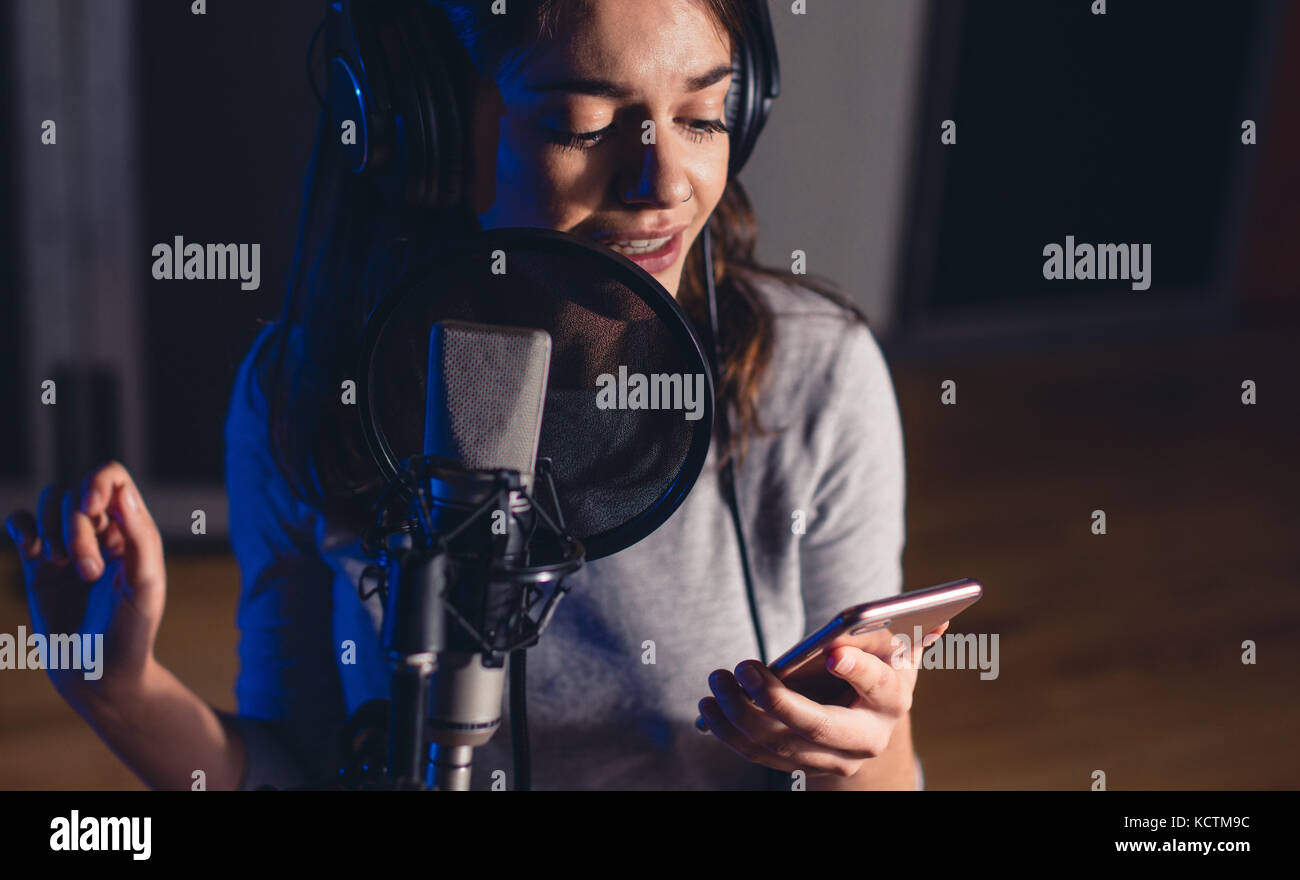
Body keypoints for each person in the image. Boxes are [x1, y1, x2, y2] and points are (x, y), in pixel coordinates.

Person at [6, 0, 943, 790]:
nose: (663, 183)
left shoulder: (817, 372)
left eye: (703, 115)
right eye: (581, 124)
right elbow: (295, 766)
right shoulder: (300, 394)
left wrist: (861, 752)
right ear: (430, 134)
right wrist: (119, 691)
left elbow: (882, 771)